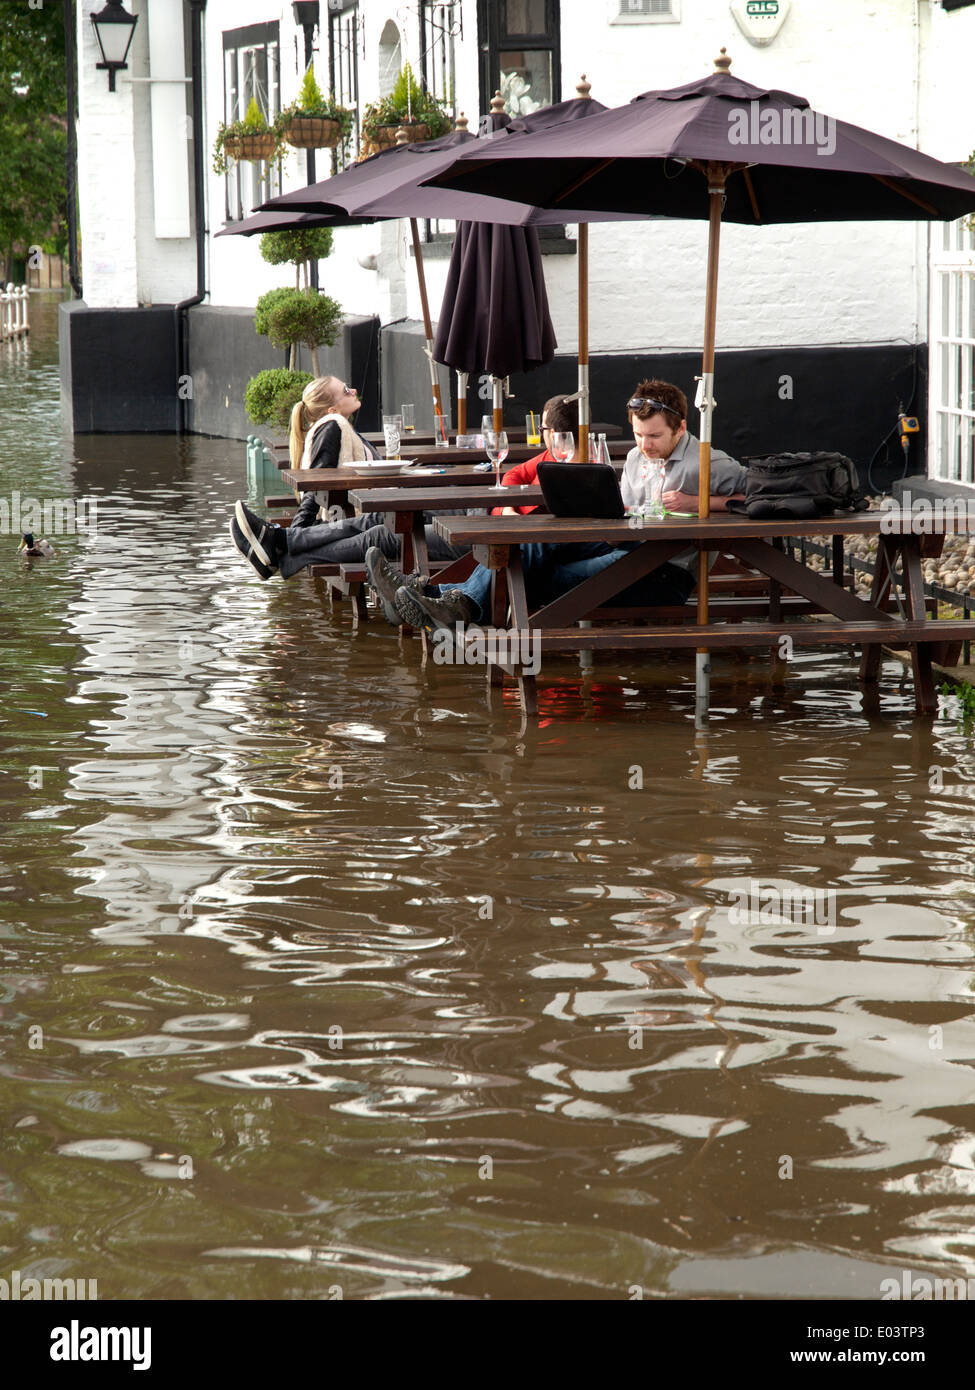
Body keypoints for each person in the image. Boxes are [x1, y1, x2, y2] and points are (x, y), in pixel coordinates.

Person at [376, 379, 746, 631]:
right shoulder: (634, 458)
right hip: (626, 544)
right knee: (533, 540)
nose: (644, 445)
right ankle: (433, 598)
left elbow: (761, 499)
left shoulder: (708, 461)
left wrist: (700, 502)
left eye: (654, 436)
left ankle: (442, 600)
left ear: (680, 429)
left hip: (663, 570)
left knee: (535, 575)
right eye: (638, 434)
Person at [364, 394, 579, 624]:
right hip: (486, 517)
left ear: (555, 433)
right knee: (379, 520)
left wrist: (513, 515)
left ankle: (420, 594)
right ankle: (416, 595)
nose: (540, 432)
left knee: (382, 532)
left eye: (543, 427)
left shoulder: (575, 470)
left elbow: (549, 521)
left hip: (492, 534)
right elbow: (513, 474)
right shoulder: (548, 458)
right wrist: (508, 510)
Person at [228, 375, 466, 581]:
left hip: (399, 509)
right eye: (345, 391)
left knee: (382, 521)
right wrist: (301, 526)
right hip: (373, 511)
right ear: (331, 409)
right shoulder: (333, 425)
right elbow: (318, 482)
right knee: (379, 521)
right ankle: (283, 541)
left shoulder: (339, 426)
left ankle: (281, 544)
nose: (353, 391)